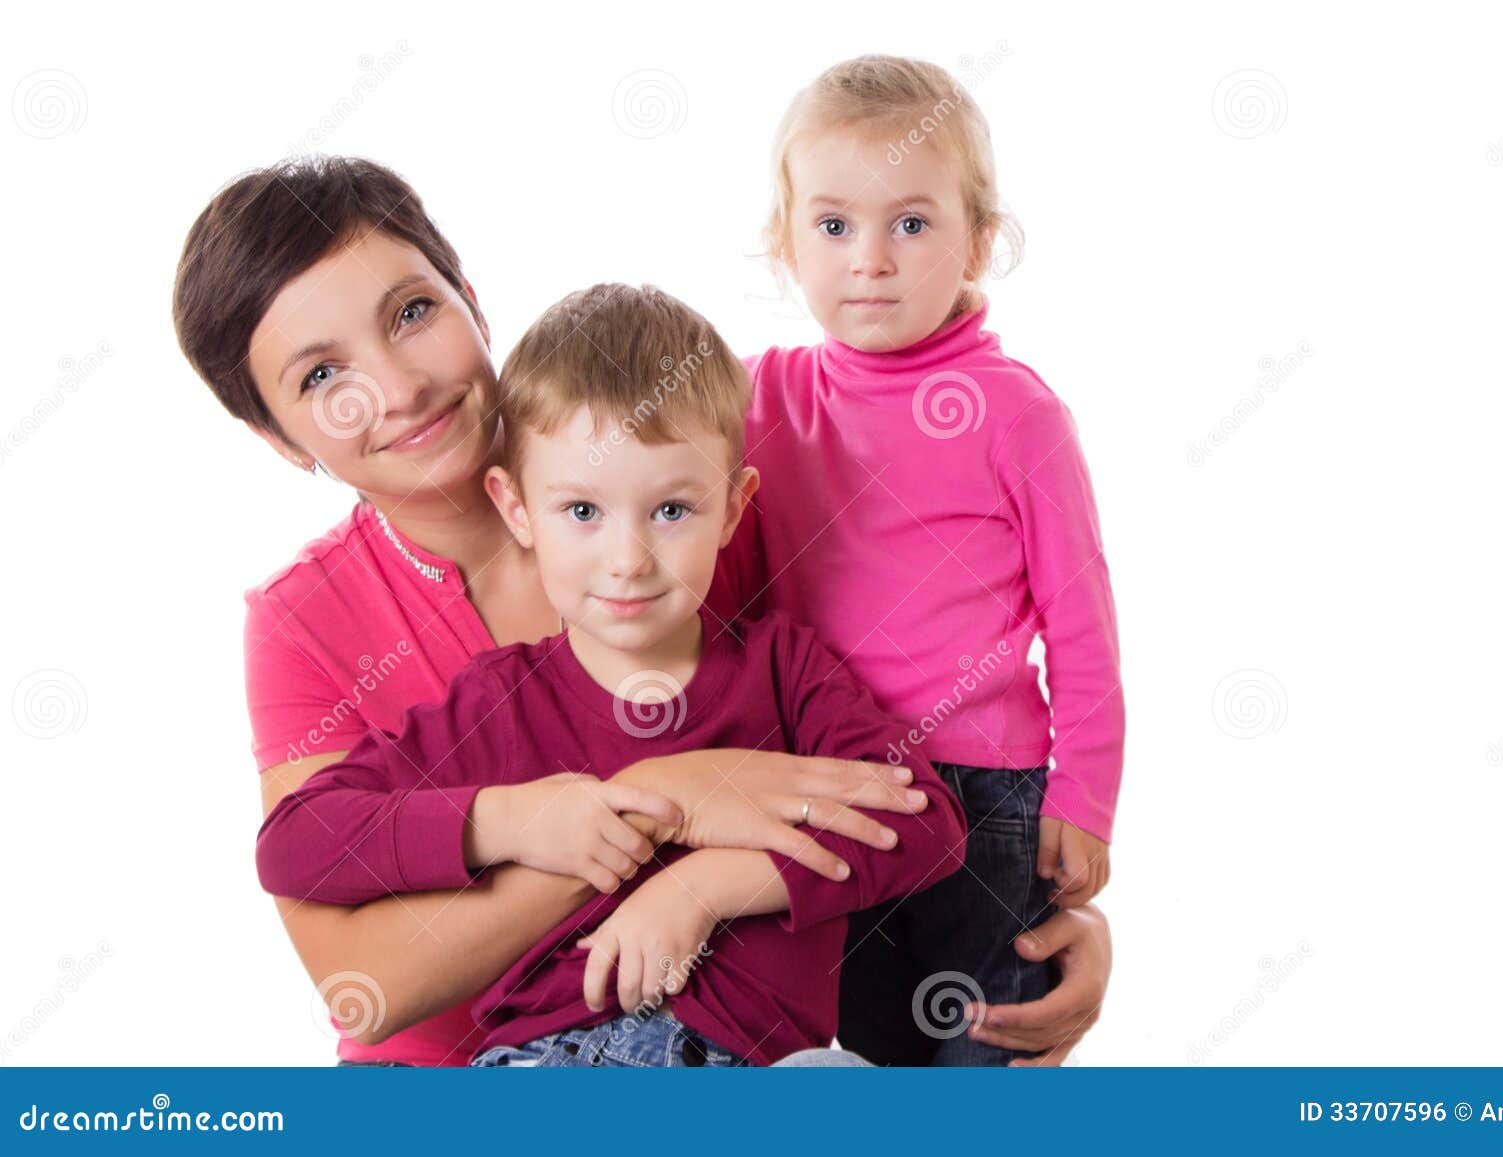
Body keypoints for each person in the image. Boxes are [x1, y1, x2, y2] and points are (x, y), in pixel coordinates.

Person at [172, 154, 1111, 1068]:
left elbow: (933, 692)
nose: (399, 385)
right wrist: (666, 801)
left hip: (745, 1051)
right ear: (278, 439)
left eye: (413, 313)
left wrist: (1014, 922)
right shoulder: (305, 621)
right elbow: (359, 977)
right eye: (320, 377)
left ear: (469, 294)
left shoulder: (679, 450)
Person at [257, 284, 968, 1066]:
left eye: (671, 511)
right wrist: (507, 819)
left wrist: (704, 887)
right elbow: (295, 841)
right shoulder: (500, 704)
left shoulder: (785, 670)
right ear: (518, 509)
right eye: (583, 513)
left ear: (732, 509)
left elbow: (926, 825)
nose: (628, 561)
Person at [715, 54, 1127, 1065]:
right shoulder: (762, 395)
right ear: (785, 241)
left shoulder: (1017, 414)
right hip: (825, 779)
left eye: (911, 222)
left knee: (979, 1046)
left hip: (986, 791)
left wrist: (1083, 796)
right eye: (831, 225)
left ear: (980, 240)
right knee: (860, 1047)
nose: (869, 259)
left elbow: (1081, 621)